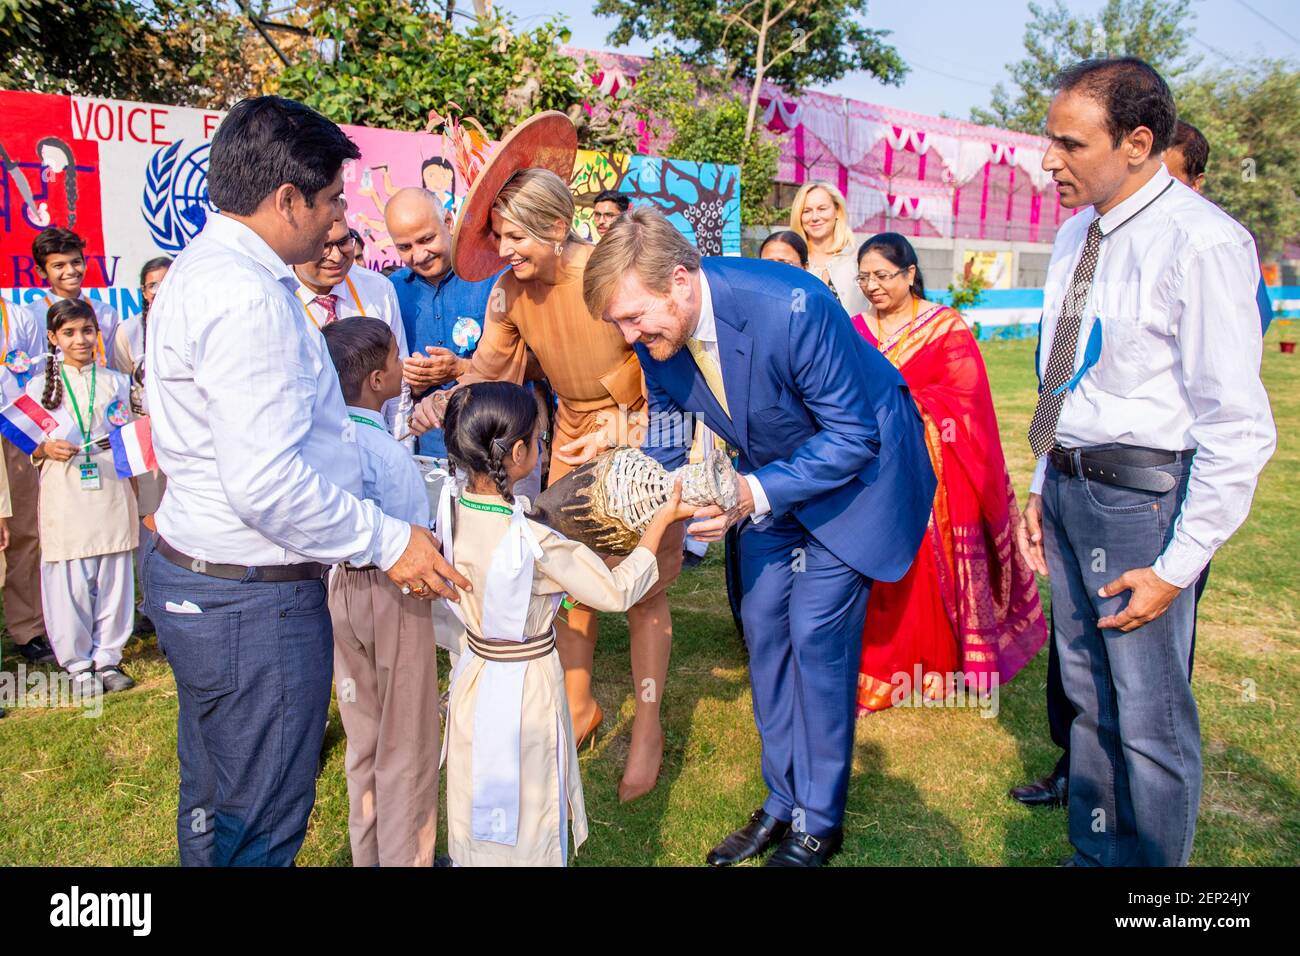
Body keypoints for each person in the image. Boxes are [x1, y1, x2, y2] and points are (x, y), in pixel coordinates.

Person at [143, 95, 470, 867]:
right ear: (285, 199)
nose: (334, 224)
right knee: (259, 820)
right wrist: (389, 539)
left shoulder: (204, 270)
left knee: (215, 800)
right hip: (252, 602)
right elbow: (267, 482)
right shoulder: (248, 297)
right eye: (327, 203)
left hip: (205, 577)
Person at [584, 205, 935, 866]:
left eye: (634, 317)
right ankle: (781, 802)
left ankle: (819, 820)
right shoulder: (657, 339)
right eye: (618, 323)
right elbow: (667, 427)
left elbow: (854, 436)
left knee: (815, 635)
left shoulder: (793, 303)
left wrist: (749, 494)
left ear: (682, 282)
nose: (629, 336)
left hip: (859, 472)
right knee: (764, 624)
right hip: (771, 479)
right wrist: (658, 495)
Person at [1014, 58, 1275, 866]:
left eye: (1068, 142)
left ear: (1136, 142)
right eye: (1047, 139)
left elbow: (1238, 427)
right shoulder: (1073, 233)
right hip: (1068, 489)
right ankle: (1098, 855)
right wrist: (1039, 480)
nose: (1048, 159)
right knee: (1090, 702)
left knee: (1150, 716)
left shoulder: (1204, 243)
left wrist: (1176, 566)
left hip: (1141, 507)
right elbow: (1067, 373)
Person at [414, 121, 687, 802]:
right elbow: (492, 374)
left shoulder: (608, 270)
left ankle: (648, 727)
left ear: (558, 226)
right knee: (568, 583)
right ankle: (579, 702)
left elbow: (667, 360)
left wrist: (631, 432)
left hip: (639, 436)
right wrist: (449, 390)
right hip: (567, 438)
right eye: (498, 237)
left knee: (644, 587)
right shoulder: (507, 293)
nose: (502, 251)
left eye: (515, 237)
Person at [436, 381, 693, 865]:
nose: (545, 446)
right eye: (540, 438)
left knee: (477, 803)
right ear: (518, 452)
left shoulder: (449, 515)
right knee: (529, 810)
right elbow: (615, 592)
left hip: (474, 680)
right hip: (527, 690)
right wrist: (657, 524)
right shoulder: (535, 543)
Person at [849, 233, 1046, 711]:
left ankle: (934, 666)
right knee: (877, 565)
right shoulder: (854, 327)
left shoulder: (945, 328)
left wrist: (909, 410)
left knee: (922, 564)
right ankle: (879, 666)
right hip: (870, 472)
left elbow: (969, 405)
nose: (873, 286)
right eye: (865, 277)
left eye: (883, 275)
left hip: (932, 474)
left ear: (910, 274)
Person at [321, 317, 440, 867]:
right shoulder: (391, 457)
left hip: (340, 587)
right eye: (396, 356)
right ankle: (407, 857)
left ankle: (367, 852)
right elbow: (416, 541)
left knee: (364, 736)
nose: (403, 363)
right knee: (409, 741)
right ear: (376, 379)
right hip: (395, 590)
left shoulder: (323, 443)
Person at [29, 298, 138, 694]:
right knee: (69, 580)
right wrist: (44, 449)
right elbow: (30, 443)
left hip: (110, 486)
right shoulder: (35, 386)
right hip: (66, 491)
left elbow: (132, 432)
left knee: (115, 574)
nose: (80, 340)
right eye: (70, 333)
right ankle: (77, 664)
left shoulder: (116, 381)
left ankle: (108, 658)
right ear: (53, 337)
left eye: (87, 331)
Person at [385, 187, 498, 458]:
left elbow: (532, 365)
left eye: (426, 239)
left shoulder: (495, 276)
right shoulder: (392, 291)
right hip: (430, 450)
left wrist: (461, 368)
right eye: (405, 247)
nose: (419, 255)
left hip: (497, 444)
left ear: (448, 222)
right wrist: (413, 382)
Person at [112, 256, 171, 636]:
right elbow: (122, 383)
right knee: (149, 516)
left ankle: (177, 589)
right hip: (145, 434)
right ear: (143, 292)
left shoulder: (190, 320)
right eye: (152, 285)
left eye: (168, 281)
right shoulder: (129, 331)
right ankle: (149, 600)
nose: (160, 290)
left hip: (187, 435)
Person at [1, 295, 56, 665]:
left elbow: (37, 376)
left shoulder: (17, 316)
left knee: (23, 531)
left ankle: (28, 628)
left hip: (13, 429)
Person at [31, 227, 120, 367]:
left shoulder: (106, 313)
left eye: (76, 262)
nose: (71, 271)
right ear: (41, 271)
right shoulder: (31, 316)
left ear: (84, 262)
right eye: (59, 265)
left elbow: (113, 363)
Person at [789, 182, 871, 316]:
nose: (815, 217)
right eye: (807, 211)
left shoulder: (859, 257)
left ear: (837, 211)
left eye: (822, 209)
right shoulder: (791, 262)